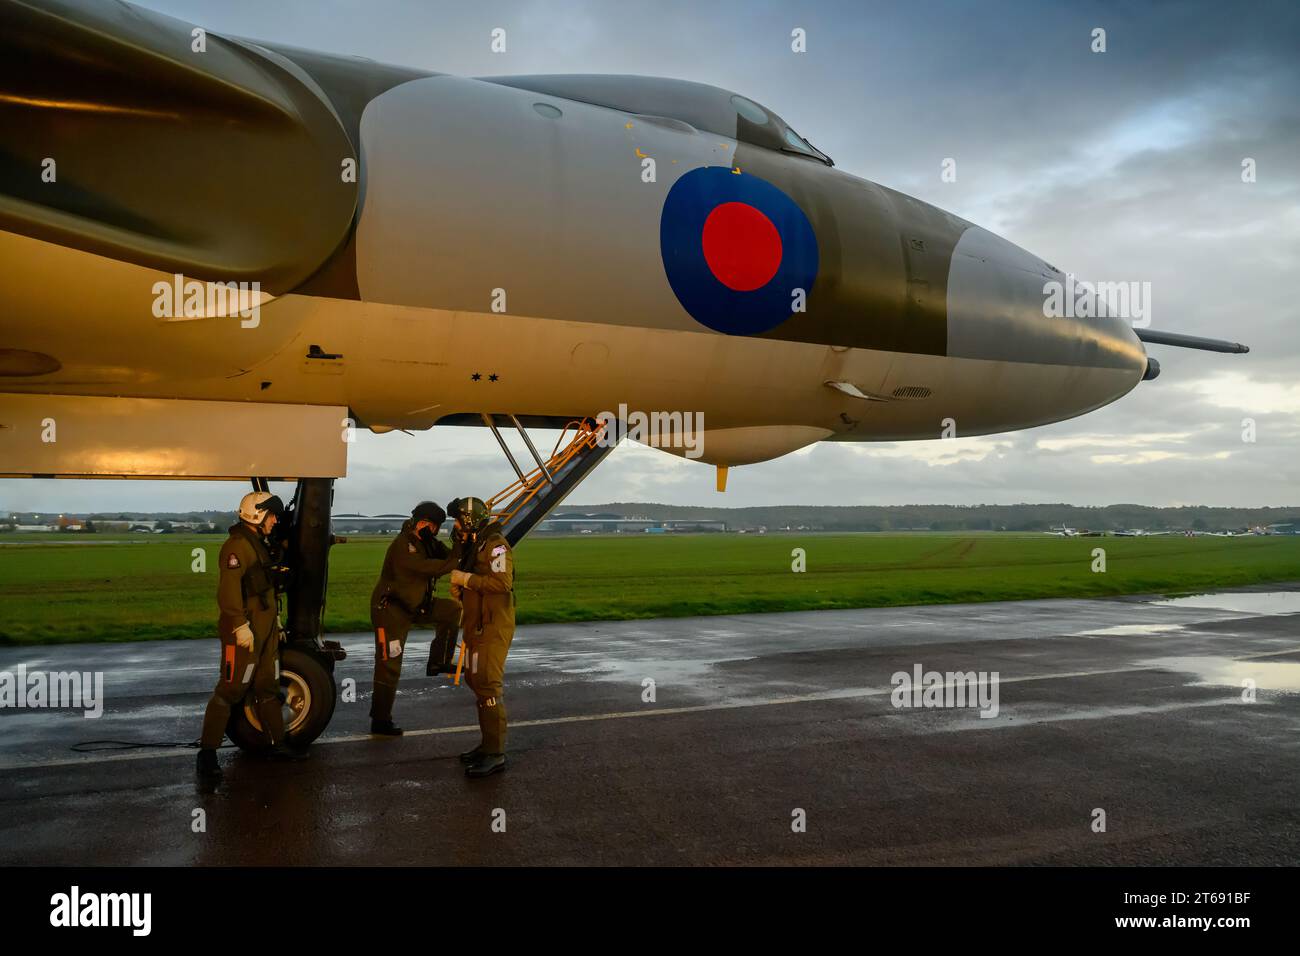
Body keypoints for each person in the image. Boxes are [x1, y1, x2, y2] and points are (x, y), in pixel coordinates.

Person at [196, 491, 299, 784]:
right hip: (244, 632)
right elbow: (228, 592)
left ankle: (277, 744)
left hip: (264, 629)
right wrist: (240, 626)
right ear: (257, 515)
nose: (275, 520)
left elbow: (266, 589)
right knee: (230, 690)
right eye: (272, 515)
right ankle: (207, 756)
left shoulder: (259, 545)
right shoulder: (237, 547)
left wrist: (275, 621)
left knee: (267, 686)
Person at [369, 501, 460, 735]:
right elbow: (439, 567)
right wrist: (459, 553)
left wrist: (461, 544)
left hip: (416, 605)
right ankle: (380, 720)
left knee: (451, 610)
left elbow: (448, 555)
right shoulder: (404, 546)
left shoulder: (424, 541)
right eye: (434, 527)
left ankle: (438, 661)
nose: (436, 532)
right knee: (389, 664)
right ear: (422, 524)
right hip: (391, 611)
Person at [446, 497, 515, 778]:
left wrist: (466, 580)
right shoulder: (479, 544)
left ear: (470, 520)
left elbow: (501, 583)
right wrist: (462, 591)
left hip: (492, 627)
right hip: (477, 627)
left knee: (487, 685)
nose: (456, 525)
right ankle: (487, 746)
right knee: (476, 681)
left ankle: (495, 754)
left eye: (459, 520)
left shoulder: (496, 545)